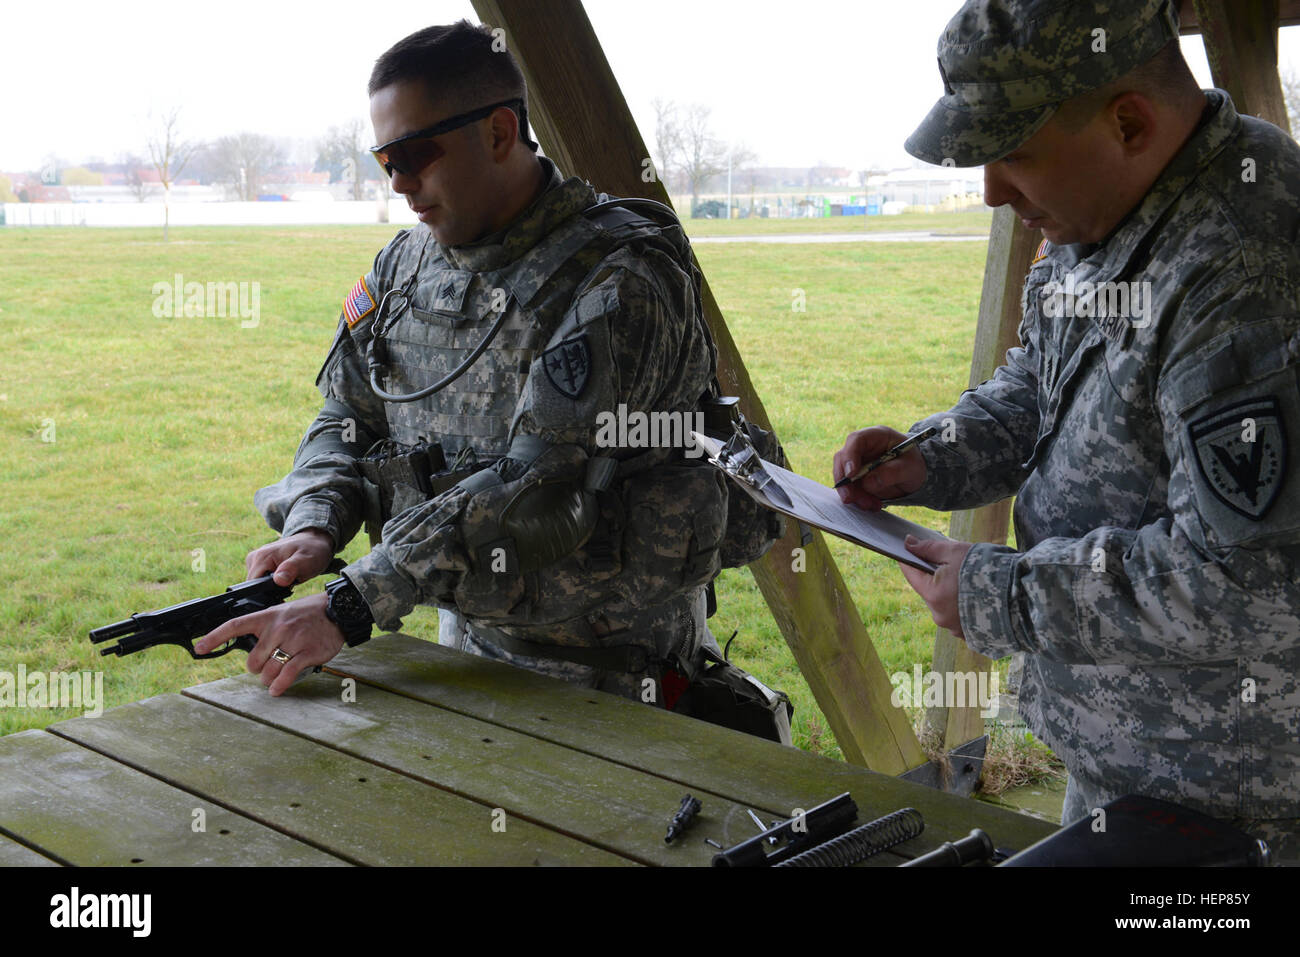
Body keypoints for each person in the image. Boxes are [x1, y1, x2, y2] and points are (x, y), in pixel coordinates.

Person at [835, 0, 1300, 863]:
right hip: (1133, 777)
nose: (991, 192)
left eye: (1014, 155)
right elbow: (1035, 388)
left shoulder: (1246, 261)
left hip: (1243, 813)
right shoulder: (1109, 212)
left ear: (1128, 122)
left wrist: (1000, 594)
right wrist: (924, 459)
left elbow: (1249, 578)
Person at [195, 21, 739, 717]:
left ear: (499, 133)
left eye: (416, 154)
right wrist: (315, 522)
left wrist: (349, 603)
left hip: (619, 684)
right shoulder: (402, 268)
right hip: (461, 664)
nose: (399, 183)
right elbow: (348, 417)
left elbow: (539, 481)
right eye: (383, 160)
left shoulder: (622, 277)